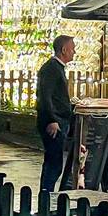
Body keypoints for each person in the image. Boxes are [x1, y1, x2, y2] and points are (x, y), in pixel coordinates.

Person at [37, 34, 76, 193]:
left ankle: (47, 195)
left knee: (55, 162)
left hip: (59, 120)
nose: (74, 52)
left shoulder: (56, 68)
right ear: (64, 50)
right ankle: (46, 197)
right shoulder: (52, 69)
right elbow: (45, 95)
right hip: (55, 123)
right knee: (53, 163)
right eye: (72, 48)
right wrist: (52, 119)